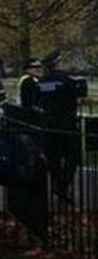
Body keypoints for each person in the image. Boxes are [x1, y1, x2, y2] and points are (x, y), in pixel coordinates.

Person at [38, 49, 89, 202]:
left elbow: (37, 100)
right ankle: (62, 185)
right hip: (67, 124)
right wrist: (81, 81)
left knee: (53, 157)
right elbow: (82, 92)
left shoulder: (42, 81)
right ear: (57, 64)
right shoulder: (67, 80)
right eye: (62, 61)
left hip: (48, 124)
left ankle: (56, 183)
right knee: (73, 157)